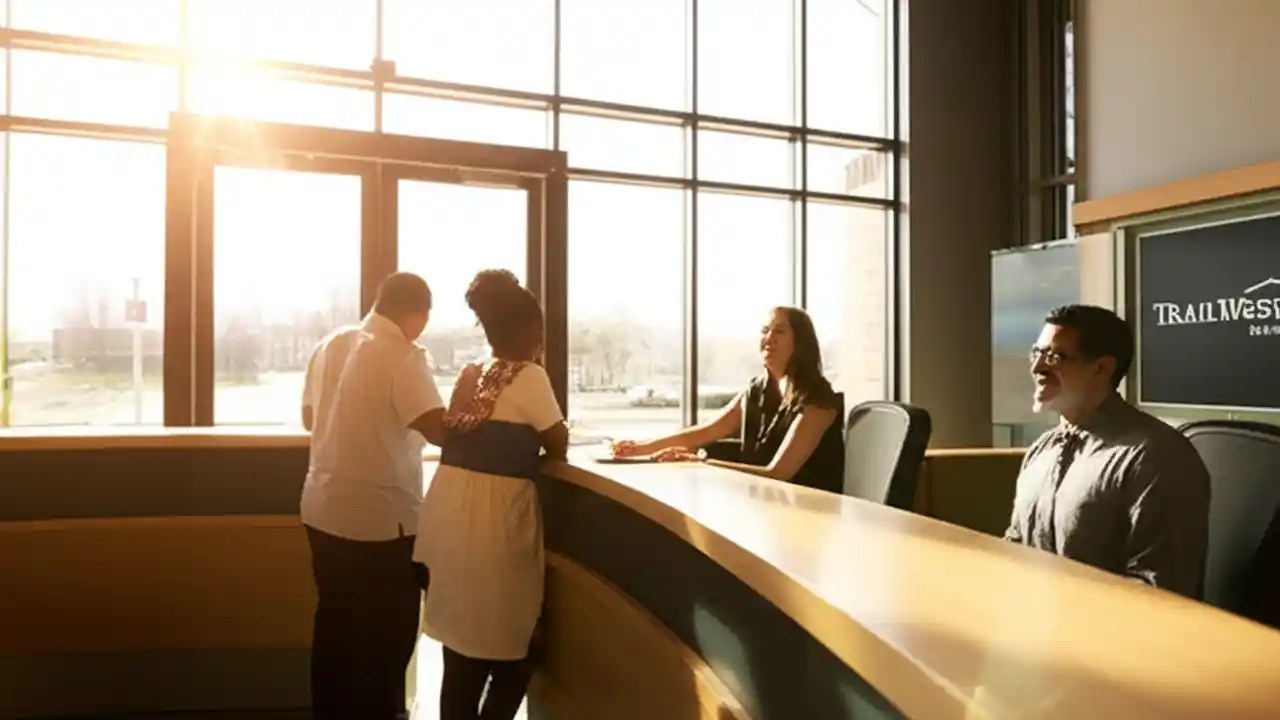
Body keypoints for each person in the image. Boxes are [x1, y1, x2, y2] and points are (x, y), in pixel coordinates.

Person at [414, 269, 569, 720]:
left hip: (448, 512)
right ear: (527, 330)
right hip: (495, 520)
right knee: (515, 642)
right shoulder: (531, 376)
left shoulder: (470, 374)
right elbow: (557, 441)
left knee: (461, 648)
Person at [299, 272, 447, 720]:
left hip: (321, 513)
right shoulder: (402, 356)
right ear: (418, 314)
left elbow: (309, 418)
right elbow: (438, 429)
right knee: (387, 643)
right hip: (381, 525)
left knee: (335, 633)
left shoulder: (330, 344)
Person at [1004, 304, 1211, 598]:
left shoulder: (1155, 457)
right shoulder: (1041, 450)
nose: (1038, 368)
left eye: (1055, 357)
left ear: (1101, 369)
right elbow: (1016, 546)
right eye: (1036, 353)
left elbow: (1160, 591)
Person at [611, 306, 844, 492]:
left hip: (809, 511)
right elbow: (705, 432)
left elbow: (778, 474)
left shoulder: (818, 400)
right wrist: (640, 448)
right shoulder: (758, 390)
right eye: (765, 330)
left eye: (779, 331)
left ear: (800, 343)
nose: (769, 338)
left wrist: (702, 464)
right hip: (766, 505)